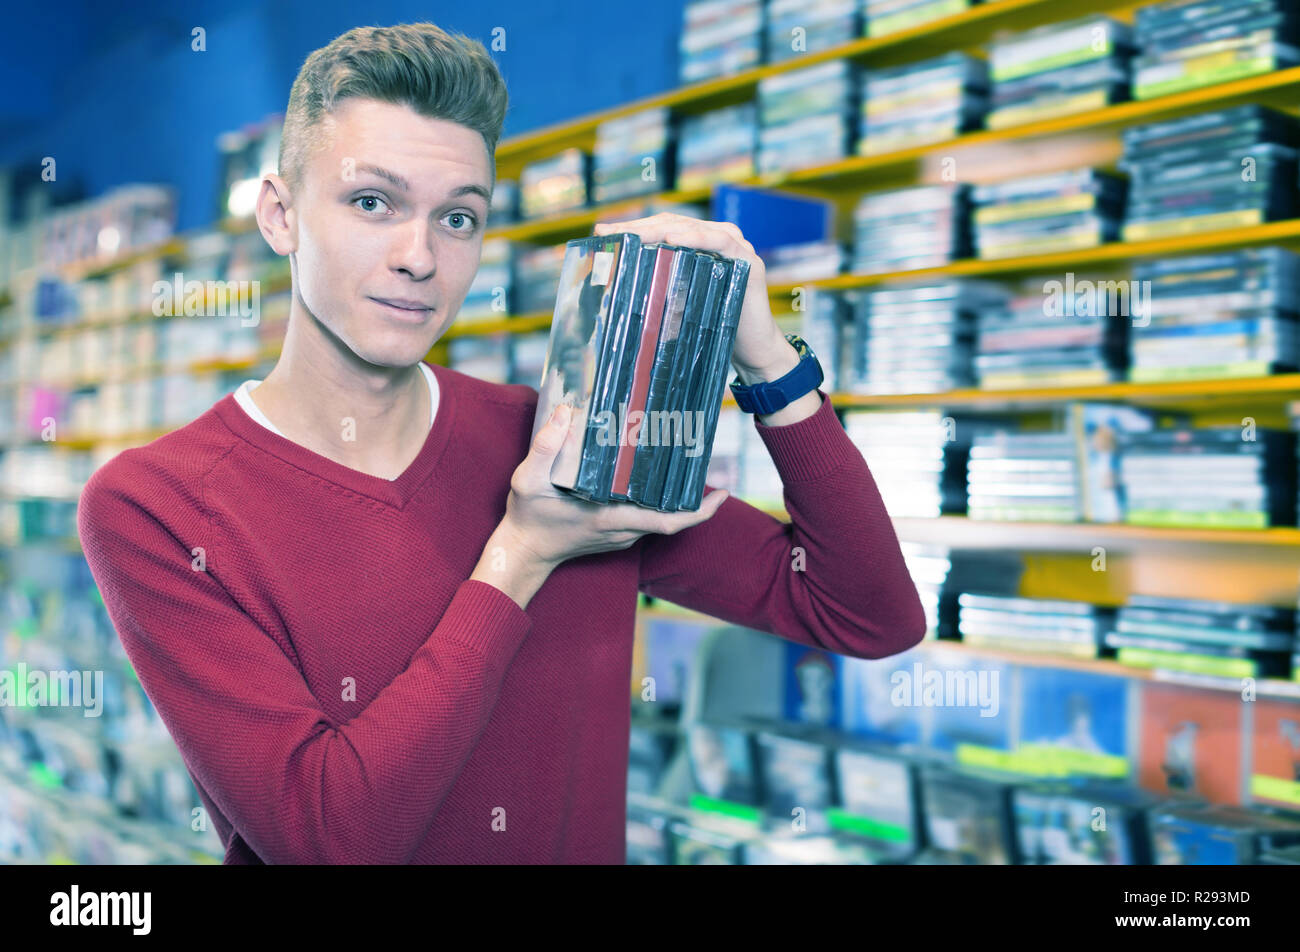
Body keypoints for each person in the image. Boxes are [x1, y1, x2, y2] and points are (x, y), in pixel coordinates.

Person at [76, 21, 927, 864]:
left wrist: (769, 362)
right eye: (372, 202)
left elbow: (868, 613)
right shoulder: (156, 504)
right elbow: (327, 840)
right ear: (280, 214)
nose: (419, 256)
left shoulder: (561, 438)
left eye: (458, 217)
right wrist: (520, 557)